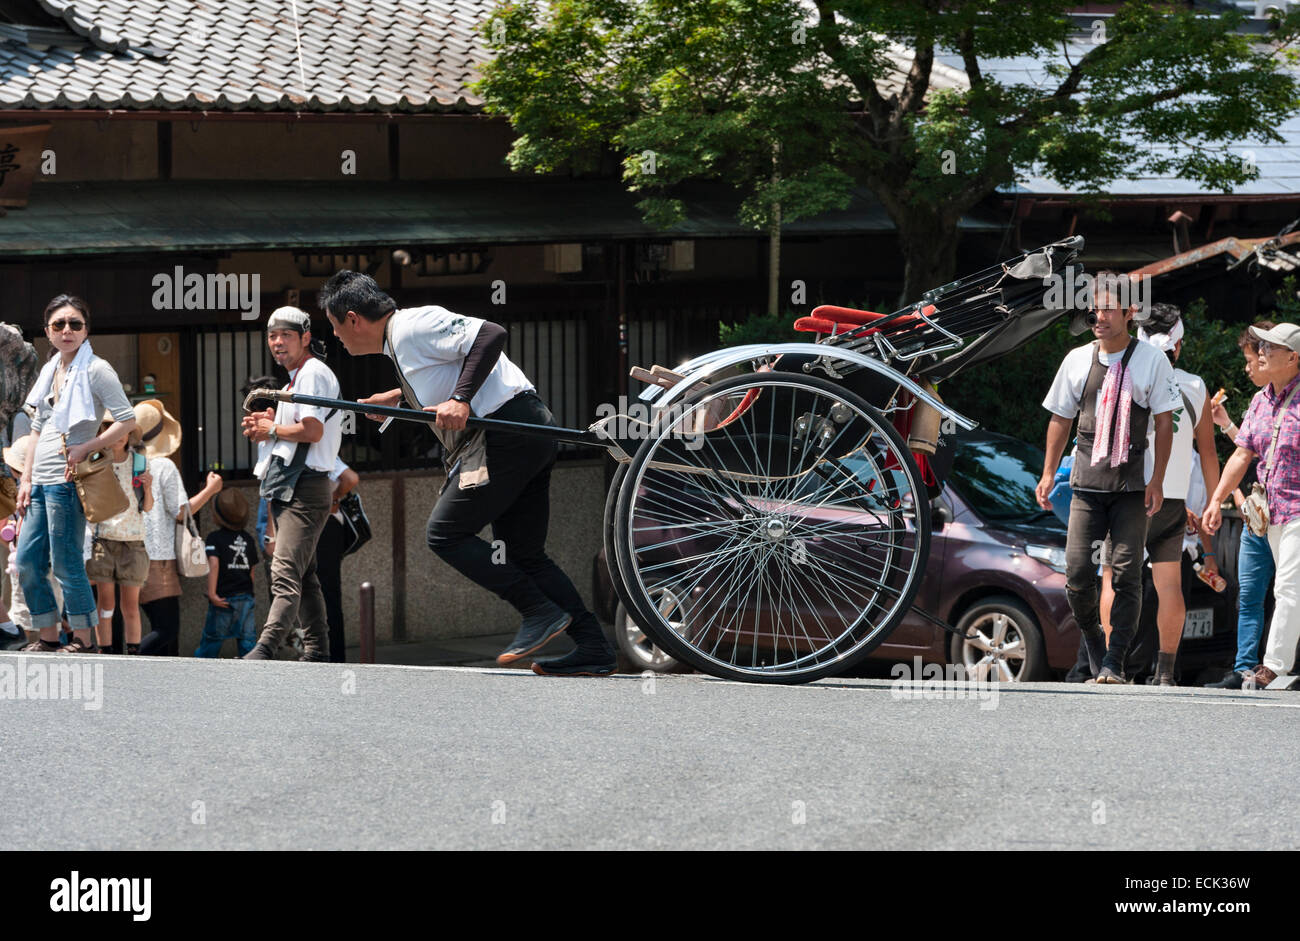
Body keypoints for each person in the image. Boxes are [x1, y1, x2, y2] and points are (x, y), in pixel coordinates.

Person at [319, 270, 618, 676]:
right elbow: (450, 377)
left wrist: (459, 398)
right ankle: (594, 647)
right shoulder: (399, 345)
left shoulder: (410, 326)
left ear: (352, 318)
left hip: (507, 433)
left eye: (335, 327)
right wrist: (400, 398)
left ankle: (537, 611)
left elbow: (490, 333)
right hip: (524, 433)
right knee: (523, 554)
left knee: (444, 533)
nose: (336, 337)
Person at [1035, 276, 1178, 683]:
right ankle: (1095, 641)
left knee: (1128, 572)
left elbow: (1164, 423)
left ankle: (1115, 661)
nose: (1098, 317)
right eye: (1094, 309)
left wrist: (1158, 481)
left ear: (1130, 313)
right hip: (1085, 484)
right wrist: (1048, 473)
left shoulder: (1151, 360)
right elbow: (1060, 418)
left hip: (1131, 487)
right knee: (1078, 574)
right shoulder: (1078, 359)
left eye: (1108, 309)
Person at [1096, 304, 1220, 685]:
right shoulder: (1196, 386)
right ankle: (1165, 672)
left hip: (1126, 493)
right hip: (1173, 499)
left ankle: (1112, 664)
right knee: (1168, 585)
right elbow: (1209, 453)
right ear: (1178, 344)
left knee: (1112, 580)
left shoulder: (1122, 372)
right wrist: (1214, 502)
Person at [15, 295, 138, 654]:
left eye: (75, 324)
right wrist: (25, 478)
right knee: (25, 562)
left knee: (67, 563)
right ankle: (49, 636)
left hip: (70, 480)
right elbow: (38, 425)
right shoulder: (50, 368)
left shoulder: (97, 369)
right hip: (39, 480)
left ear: (86, 330)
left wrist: (89, 446)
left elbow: (127, 419)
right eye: (59, 324)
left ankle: (84, 640)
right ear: (48, 331)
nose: (67, 330)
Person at [240, 306, 343, 662]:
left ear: (305, 338)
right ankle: (317, 650)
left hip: (307, 485)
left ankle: (265, 648)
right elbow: (298, 430)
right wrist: (271, 423)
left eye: (286, 335)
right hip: (293, 486)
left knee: (284, 571)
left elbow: (312, 431)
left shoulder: (312, 372)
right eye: (272, 336)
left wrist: (272, 429)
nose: (278, 343)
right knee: (305, 574)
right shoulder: (293, 382)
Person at [1203, 322, 1300, 687]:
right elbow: (1243, 455)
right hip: (1264, 513)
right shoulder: (1261, 401)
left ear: (1293, 358)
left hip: (1297, 510)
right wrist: (1216, 500)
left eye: (1271, 348)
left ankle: (1273, 667)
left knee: (1288, 588)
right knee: (1260, 591)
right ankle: (1250, 664)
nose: (1263, 352)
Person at [133, 398, 224, 656]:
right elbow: (182, 512)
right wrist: (211, 490)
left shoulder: (129, 462)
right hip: (158, 557)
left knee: (147, 627)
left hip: (129, 552)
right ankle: (128, 664)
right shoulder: (163, 466)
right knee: (167, 628)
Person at [86, 412, 153, 654]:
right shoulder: (95, 460)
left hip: (133, 540)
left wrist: (148, 486)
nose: (118, 436)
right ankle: (105, 650)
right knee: (105, 603)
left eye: (123, 430)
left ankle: (133, 652)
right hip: (102, 538)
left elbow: (147, 507)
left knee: (131, 605)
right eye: (111, 429)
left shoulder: (140, 462)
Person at [195, 489, 259, 658]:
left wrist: (212, 593)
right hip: (245, 597)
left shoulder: (214, 538)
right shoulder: (249, 539)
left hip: (223, 599)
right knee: (248, 642)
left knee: (211, 642)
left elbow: (214, 564)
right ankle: (253, 676)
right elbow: (252, 569)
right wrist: (251, 594)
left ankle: (198, 675)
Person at [315, 457, 360, 662]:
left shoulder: (321, 448)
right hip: (328, 527)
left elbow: (350, 478)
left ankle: (328, 656)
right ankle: (332, 656)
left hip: (322, 527)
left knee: (322, 595)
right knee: (328, 595)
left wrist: (332, 498)